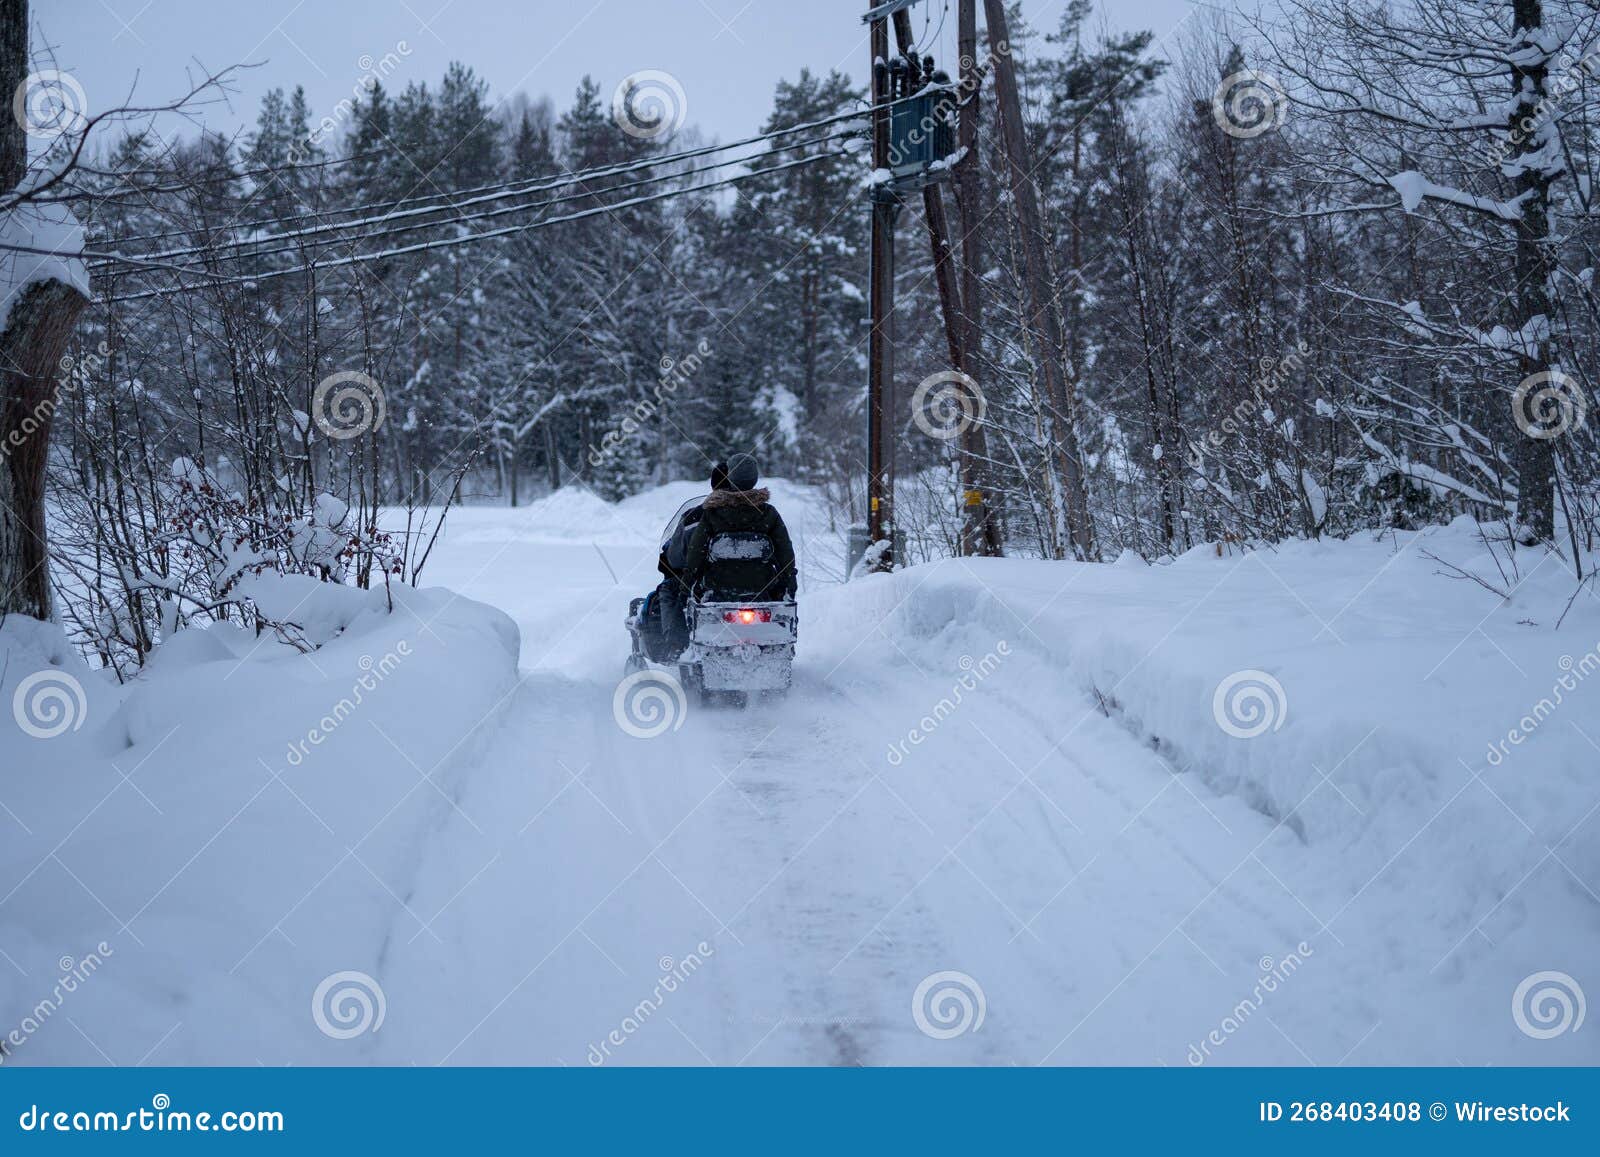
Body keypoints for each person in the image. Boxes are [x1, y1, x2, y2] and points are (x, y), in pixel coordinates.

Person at [681, 453, 797, 602]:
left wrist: (687, 584)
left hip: (718, 587)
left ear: (730, 477)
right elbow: (784, 550)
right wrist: (790, 580)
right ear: (754, 479)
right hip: (762, 587)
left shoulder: (712, 513)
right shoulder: (768, 513)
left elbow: (696, 551)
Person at [640, 461, 726, 661]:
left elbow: (675, 558)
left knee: (669, 590)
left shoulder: (697, 515)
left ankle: (677, 645)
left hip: (707, 584)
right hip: (756, 587)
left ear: (714, 485)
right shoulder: (760, 513)